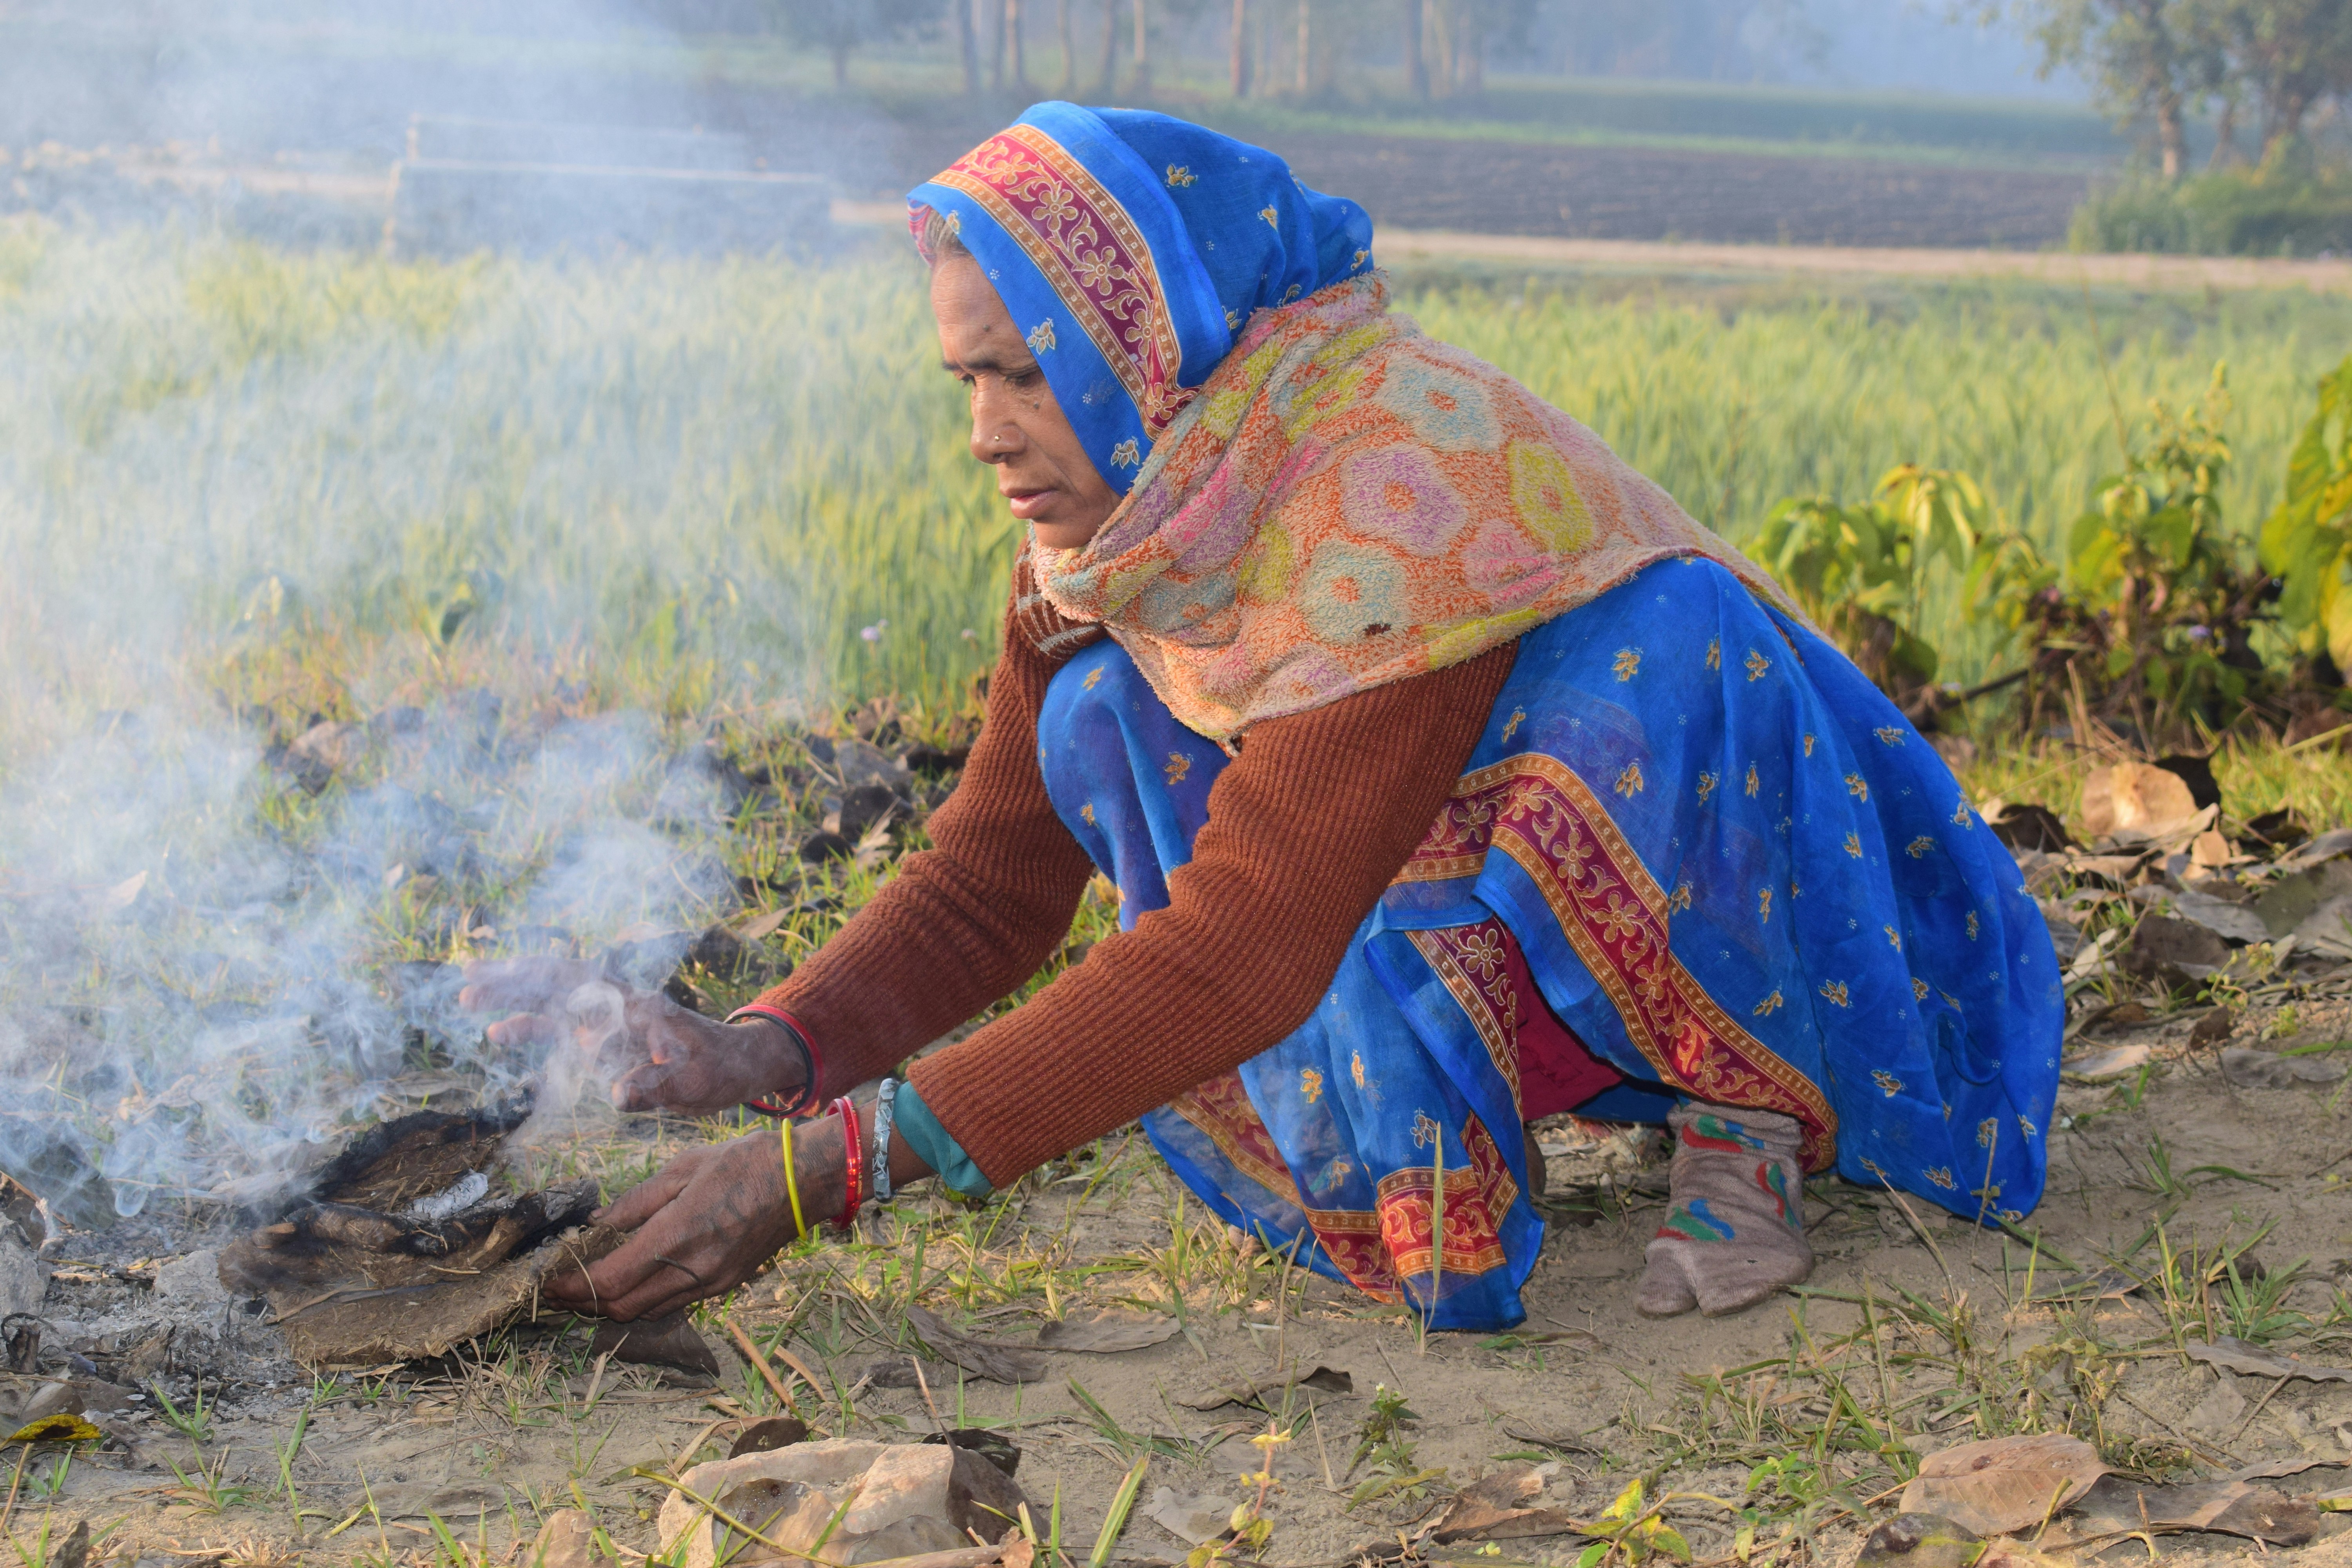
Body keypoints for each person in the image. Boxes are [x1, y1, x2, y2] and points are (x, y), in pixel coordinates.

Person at [461, 103, 2062, 1331]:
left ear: (1140, 344)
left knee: (1668, 648)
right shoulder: (1127, 521)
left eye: (1022, 374)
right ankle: (1440, 1142)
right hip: (1458, 868)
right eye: (964, 381)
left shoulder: (1385, 498)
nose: (983, 433)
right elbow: (988, 879)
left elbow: (1246, 943)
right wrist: (756, 1053)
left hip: (1689, 850)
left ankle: (1748, 1109)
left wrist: (830, 1168)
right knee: (1099, 714)